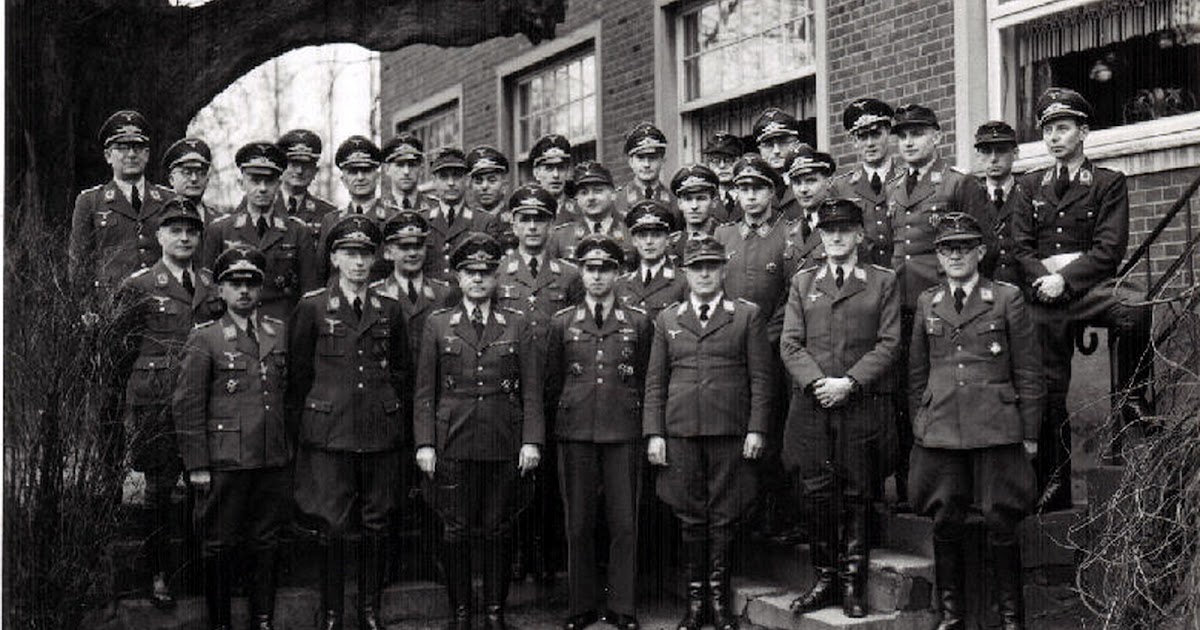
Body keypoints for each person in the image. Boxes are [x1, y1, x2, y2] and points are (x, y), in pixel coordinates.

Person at [1012, 87, 1153, 511]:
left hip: (1086, 288)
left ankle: (1132, 399)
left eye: (1063, 128)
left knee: (1134, 307)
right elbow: (1020, 249)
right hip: (1042, 293)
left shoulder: (1108, 183)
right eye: (1048, 130)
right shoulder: (1029, 185)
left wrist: (1065, 279)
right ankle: (1053, 480)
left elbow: (1110, 250)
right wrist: (1044, 280)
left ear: (1083, 132)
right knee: (1048, 387)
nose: (1054, 137)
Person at [908, 212, 1043, 630]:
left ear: (980, 252)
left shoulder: (1005, 298)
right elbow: (916, 372)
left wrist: (1030, 433)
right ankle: (952, 614)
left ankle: (1010, 618)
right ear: (938, 256)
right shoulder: (928, 302)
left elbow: (1029, 371)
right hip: (943, 427)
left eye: (964, 247)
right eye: (948, 249)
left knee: (1001, 520)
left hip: (995, 427)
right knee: (945, 517)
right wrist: (921, 422)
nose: (956, 255)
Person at [414, 233, 545, 630]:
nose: (477, 280)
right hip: (452, 439)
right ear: (457, 277)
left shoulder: (517, 324)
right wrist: (424, 443)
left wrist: (532, 440)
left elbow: (533, 389)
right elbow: (424, 391)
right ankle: (460, 613)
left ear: (496, 276)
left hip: (503, 440)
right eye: (470, 272)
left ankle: (494, 613)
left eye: (485, 273)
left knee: (498, 528)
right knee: (455, 530)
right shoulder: (438, 325)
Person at [780, 199, 901, 619]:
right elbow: (790, 342)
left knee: (857, 491)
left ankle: (852, 583)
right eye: (828, 230)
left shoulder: (882, 281)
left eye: (845, 229)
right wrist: (817, 383)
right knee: (815, 493)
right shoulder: (803, 281)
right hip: (813, 404)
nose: (835, 237)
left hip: (859, 403)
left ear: (859, 235)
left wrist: (848, 383)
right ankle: (825, 578)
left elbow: (889, 343)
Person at [288, 215, 410, 630]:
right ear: (335, 257)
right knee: (333, 527)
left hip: (379, 429)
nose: (359, 263)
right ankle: (334, 611)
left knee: (377, 522)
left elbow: (400, 371)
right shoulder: (313, 306)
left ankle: (370, 610)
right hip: (330, 431)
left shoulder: (389, 310)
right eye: (350, 254)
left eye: (366, 254)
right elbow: (299, 375)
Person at [644, 236, 771, 630]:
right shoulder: (668, 319)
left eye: (711, 267)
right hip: (680, 432)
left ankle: (719, 602)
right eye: (696, 268)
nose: (703, 274)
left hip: (729, 431)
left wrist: (757, 429)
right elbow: (655, 383)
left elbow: (761, 379)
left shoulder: (746, 316)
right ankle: (695, 602)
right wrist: (654, 433)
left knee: (724, 516)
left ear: (722, 271)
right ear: (685, 273)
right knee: (690, 517)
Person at [173, 246, 292, 630]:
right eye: (234, 283)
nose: (243, 290)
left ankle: (263, 620)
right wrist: (197, 465)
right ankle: (220, 624)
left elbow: (288, 395)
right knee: (219, 545)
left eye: (251, 282)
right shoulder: (205, 339)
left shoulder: (278, 331)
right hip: (225, 461)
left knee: (267, 543)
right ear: (220, 291)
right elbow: (187, 405)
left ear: (260, 288)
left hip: (271, 459)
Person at [115, 197, 224, 612]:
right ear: (159, 236)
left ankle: (198, 571)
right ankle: (158, 573)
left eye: (191, 231)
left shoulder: (214, 285)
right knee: (160, 492)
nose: (183, 237)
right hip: (157, 401)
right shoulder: (139, 286)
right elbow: (120, 352)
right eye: (175, 230)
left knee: (206, 487)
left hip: (208, 402)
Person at [886, 103, 993, 511]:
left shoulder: (957, 185)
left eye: (917, 133)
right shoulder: (895, 188)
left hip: (944, 308)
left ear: (937, 137)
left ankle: (957, 491)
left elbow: (987, 248)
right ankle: (914, 488)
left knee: (947, 393)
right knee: (906, 396)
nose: (909, 142)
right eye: (903, 136)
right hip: (902, 307)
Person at [547, 234, 652, 630]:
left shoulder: (638, 322)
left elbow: (643, 378)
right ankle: (581, 606)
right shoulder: (562, 323)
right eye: (589, 269)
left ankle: (623, 607)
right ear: (581, 271)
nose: (596, 276)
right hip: (575, 432)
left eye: (604, 268)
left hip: (623, 431)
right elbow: (553, 382)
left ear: (618, 273)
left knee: (624, 523)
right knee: (578, 523)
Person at [495, 184, 581, 584]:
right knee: (514, 477)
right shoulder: (497, 274)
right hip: (511, 393)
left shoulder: (570, 274)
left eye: (540, 219)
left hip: (556, 389)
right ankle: (516, 557)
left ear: (552, 224)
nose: (532, 227)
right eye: (525, 219)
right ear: (513, 223)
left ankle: (549, 559)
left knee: (552, 479)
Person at [372, 210, 453, 581]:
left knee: (433, 482)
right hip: (389, 402)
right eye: (403, 246)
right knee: (389, 484)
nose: (411, 252)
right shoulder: (375, 295)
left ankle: (436, 559)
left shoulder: (444, 292)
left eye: (418, 245)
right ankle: (389, 563)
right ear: (388, 252)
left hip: (436, 399)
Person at [203, 141, 317, 322]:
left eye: (269, 181)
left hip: (282, 333)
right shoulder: (220, 230)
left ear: (279, 184)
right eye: (255, 181)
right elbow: (208, 292)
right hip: (233, 335)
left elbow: (310, 297)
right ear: (241, 183)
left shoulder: (298, 232)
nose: (262, 188)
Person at [70, 109, 176, 292]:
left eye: (137, 147)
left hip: (162, 302)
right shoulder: (90, 201)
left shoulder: (169, 199)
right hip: (111, 307)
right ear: (108, 156)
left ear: (147, 154)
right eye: (122, 147)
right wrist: (88, 311)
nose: (131, 154)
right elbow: (79, 264)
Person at [315, 135, 398, 284]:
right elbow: (322, 275)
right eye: (353, 172)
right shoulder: (331, 221)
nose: (360, 177)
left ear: (377, 176)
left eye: (366, 171)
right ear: (343, 180)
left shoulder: (394, 218)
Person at [831, 98, 898, 267]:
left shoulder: (906, 179)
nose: (870, 143)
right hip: (863, 282)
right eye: (862, 137)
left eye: (876, 134)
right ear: (854, 141)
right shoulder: (840, 188)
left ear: (888, 134)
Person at [973, 121, 1028, 289]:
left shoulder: (1028, 193)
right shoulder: (971, 196)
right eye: (986, 151)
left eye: (1001, 150)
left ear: (1016, 153)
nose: (993, 158)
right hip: (983, 296)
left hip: (1023, 293)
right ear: (978, 156)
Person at [549, 161, 634, 264]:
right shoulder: (560, 237)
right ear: (577, 199)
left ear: (613, 194)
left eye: (598, 191)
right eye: (584, 193)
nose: (591, 198)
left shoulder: (631, 232)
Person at [617, 200, 688, 319]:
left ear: (667, 240)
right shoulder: (620, 285)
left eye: (656, 235)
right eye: (642, 236)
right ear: (634, 241)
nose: (649, 242)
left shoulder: (683, 282)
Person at [276, 129, 338, 247]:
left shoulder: (328, 215)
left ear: (315, 171)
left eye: (306, 165)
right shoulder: (262, 208)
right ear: (281, 167)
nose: (299, 171)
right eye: (293, 164)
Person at [782, 149, 838, 269]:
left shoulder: (843, 226)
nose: (803, 189)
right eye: (797, 183)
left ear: (829, 182)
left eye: (811, 181)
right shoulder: (789, 231)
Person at [752, 107, 808, 222]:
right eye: (768, 145)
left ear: (796, 144)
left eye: (783, 142)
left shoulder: (811, 183)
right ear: (760, 150)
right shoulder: (752, 191)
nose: (776, 150)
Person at [615, 122, 675, 220]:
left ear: (662, 161)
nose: (646, 164)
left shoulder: (674, 200)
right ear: (631, 162)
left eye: (653, 158)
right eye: (640, 158)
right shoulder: (617, 200)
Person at [466, 145, 519, 253]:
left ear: (505, 185)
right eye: (479, 181)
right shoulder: (464, 222)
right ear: (471, 186)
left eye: (492, 180)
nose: (484, 186)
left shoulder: (517, 221)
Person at [161, 137, 220, 224]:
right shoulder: (158, 218)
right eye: (187, 173)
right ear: (171, 180)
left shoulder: (220, 222)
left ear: (207, 179)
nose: (194, 179)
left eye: (201, 173)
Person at [669, 165, 723, 261]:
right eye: (688, 199)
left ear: (714, 202)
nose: (694, 206)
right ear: (680, 203)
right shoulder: (671, 244)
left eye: (701, 198)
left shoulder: (727, 238)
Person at [529, 134, 579, 226]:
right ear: (536, 173)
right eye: (549, 168)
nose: (556, 175)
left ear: (568, 171)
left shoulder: (581, 210)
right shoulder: (527, 213)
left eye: (561, 168)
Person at [382, 132, 437, 212]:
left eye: (412, 165)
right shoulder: (377, 210)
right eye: (400, 165)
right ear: (387, 169)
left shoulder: (437, 208)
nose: (406, 171)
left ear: (421, 169)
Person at [700, 132, 743, 223]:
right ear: (708, 165)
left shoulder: (750, 195)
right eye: (716, 161)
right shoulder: (702, 199)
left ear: (740, 162)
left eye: (729, 160)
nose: (722, 166)